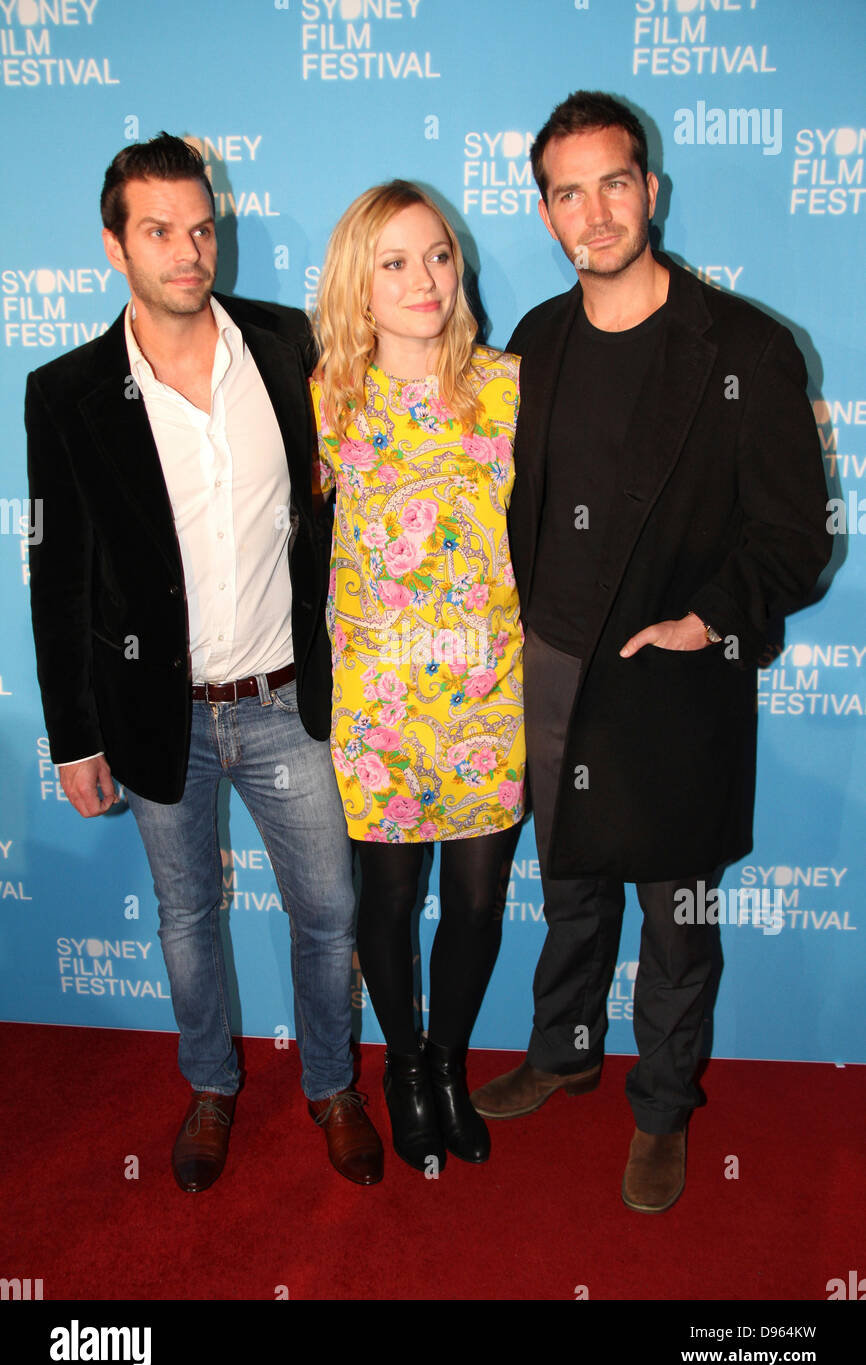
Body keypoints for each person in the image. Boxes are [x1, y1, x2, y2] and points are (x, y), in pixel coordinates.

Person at [470, 91, 831, 1211]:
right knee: (569, 885)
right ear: (543, 212)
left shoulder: (744, 348)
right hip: (555, 667)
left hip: (672, 678)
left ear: (650, 190)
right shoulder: (533, 341)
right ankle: (567, 1045)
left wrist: (705, 619)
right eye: (567, 192)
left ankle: (664, 1105)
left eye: (612, 183)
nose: (594, 211)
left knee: (678, 919)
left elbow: (794, 537)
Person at [26, 132, 383, 1192]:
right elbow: (60, 575)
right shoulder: (67, 391)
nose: (188, 251)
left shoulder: (286, 346)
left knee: (331, 913)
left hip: (283, 702)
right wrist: (76, 734)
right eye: (158, 231)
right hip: (155, 712)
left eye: (200, 227)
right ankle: (211, 1086)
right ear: (113, 245)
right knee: (187, 917)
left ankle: (331, 1086)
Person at [310, 180, 525, 1172]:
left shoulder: (509, 388)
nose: (423, 278)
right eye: (393, 262)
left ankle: (444, 1061)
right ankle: (400, 1064)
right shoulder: (325, 404)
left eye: (436, 254)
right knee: (386, 899)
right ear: (359, 286)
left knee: (477, 902)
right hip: (379, 704)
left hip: (488, 692)